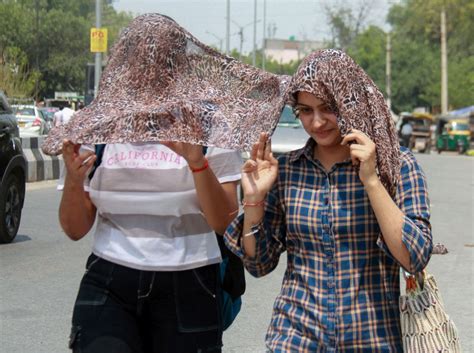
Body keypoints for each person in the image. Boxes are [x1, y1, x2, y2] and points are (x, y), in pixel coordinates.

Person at [224, 49, 433, 352]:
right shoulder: (288, 171)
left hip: (372, 339)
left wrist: (372, 182)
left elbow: (414, 257)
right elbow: (258, 264)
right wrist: (254, 201)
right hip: (295, 337)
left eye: (327, 108)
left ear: (350, 102)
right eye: (305, 111)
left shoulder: (396, 165)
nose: (317, 122)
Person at [60, 139, 241, 353]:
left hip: (190, 281)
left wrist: (197, 163)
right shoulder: (98, 130)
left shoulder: (210, 129)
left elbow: (225, 223)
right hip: (108, 280)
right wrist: (74, 179)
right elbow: (75, 229)